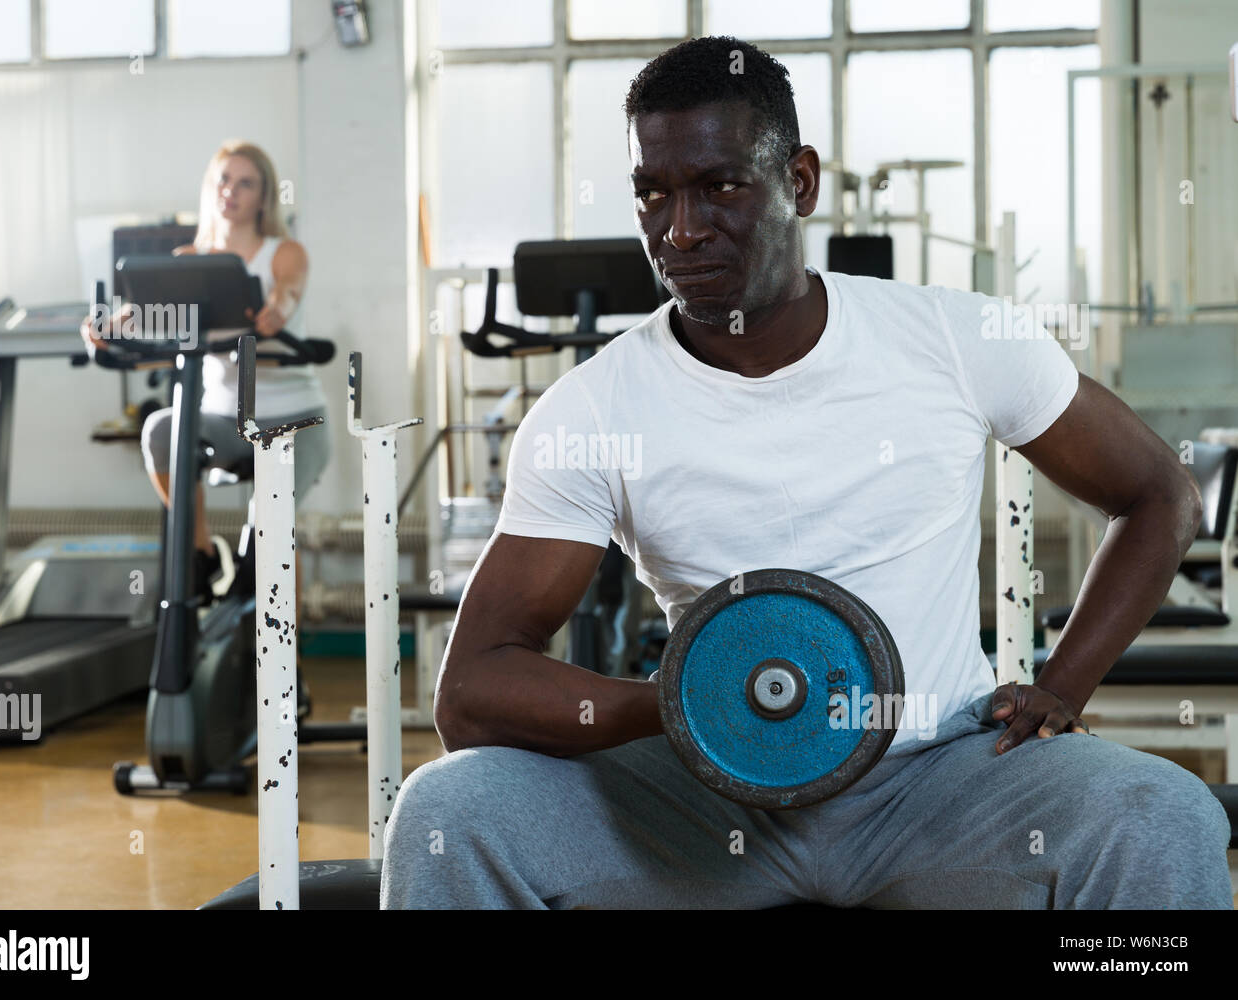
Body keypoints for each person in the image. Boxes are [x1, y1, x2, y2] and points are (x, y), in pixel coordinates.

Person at [380, 37, 1233, 909]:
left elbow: (1160, 494)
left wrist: (1062, 684)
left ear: (801, 182)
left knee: (1163, 815)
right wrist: (694, 707)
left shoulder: (953, 338)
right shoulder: (595, 409)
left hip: (936, 777)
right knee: (451, 810)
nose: (679, 229)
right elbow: (472, 689)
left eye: (719, 186)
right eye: (652, 194)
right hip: (704, 797)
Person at [83, 140, 332, 605]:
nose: (231, 191)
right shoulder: (188, 260)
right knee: (161, 431)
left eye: (245, 182)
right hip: (226, 420)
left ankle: (288, 666)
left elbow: (288, 290)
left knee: (269, 529)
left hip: (296, 421)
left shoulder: (284, 252)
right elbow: (140, 313)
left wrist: (276, 309)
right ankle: (203, 557)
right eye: (223, 179)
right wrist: (104, 326)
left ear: (263, 197)